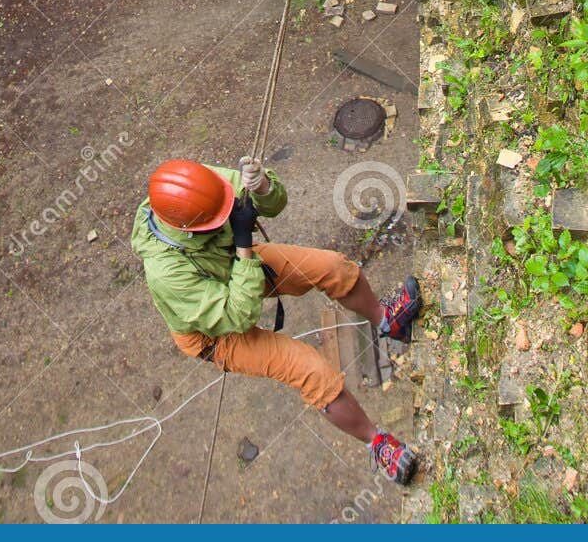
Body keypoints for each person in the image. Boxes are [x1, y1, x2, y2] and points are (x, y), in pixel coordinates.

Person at [130, 156, 423, 484]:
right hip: (215, 330)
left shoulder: (201, 188)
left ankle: (389, 322)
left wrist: (262, 186)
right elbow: (239, 315)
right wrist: (242, 246)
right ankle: (377, 443)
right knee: (311, 372)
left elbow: (273, 203)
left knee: (332, 267)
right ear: (189, 229)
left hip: (234, 266)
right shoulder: (167, 274)